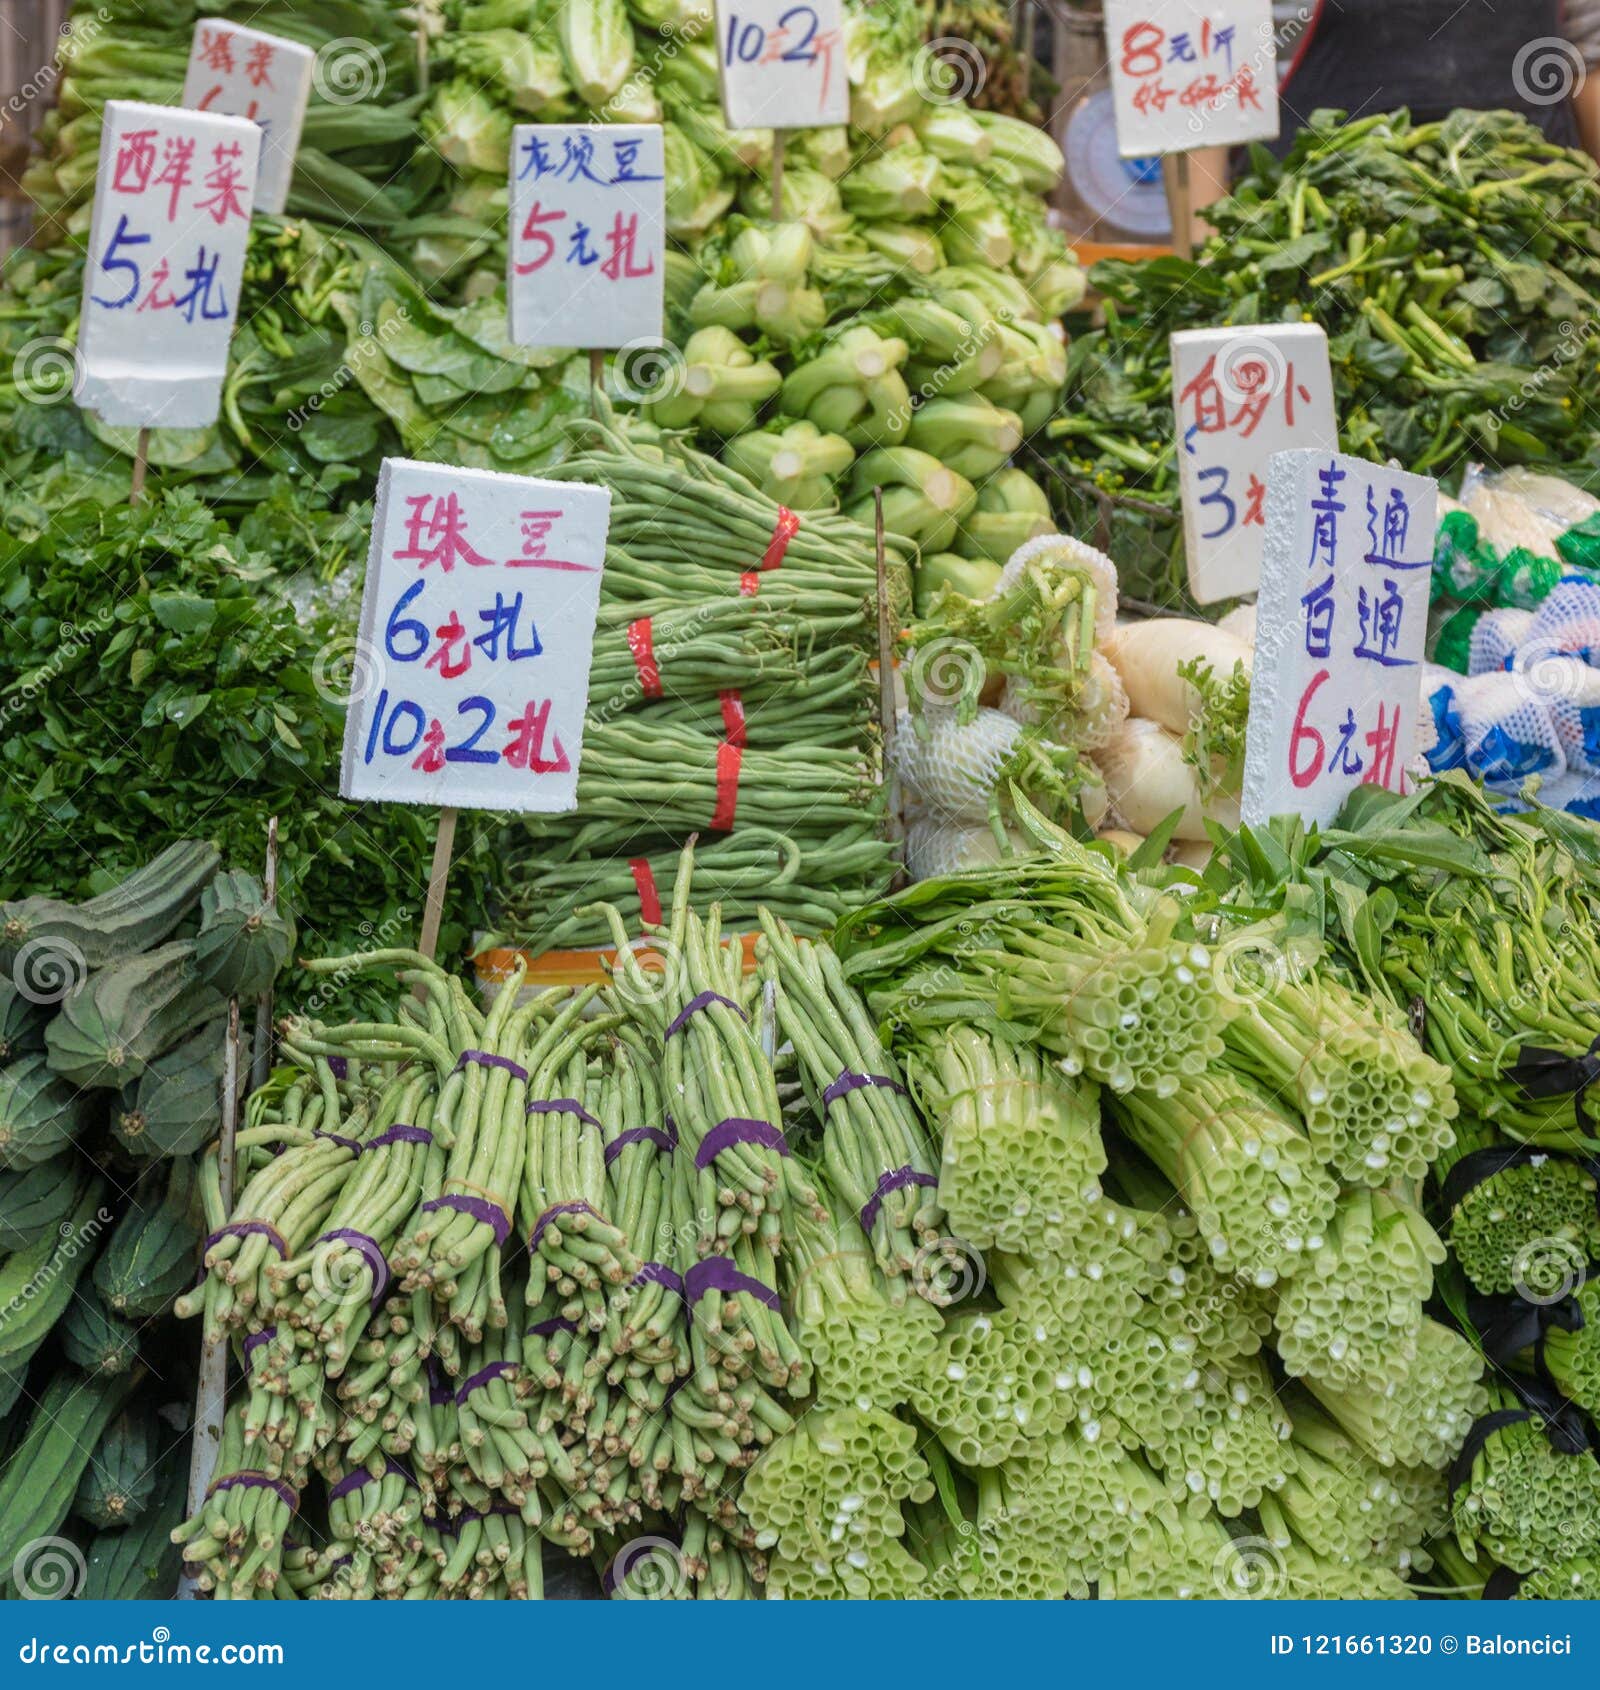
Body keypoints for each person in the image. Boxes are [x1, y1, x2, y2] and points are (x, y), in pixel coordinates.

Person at [1178, 1, 1600, 246]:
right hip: (1312, 244)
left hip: (1526, 239)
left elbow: (1589, 60)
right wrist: (1206, 246)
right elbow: (1213, 61)